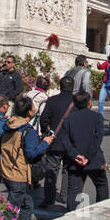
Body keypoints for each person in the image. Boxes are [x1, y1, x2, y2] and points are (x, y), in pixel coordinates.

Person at [0, 95, 52, 220]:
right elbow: (31, 153)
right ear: (29, 112)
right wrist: (45, 143)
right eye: (33, 107)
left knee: (27, 203)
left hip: (6, 168)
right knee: (11, 210)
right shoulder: (28, 131)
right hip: (18, 173)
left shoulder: (8, 124)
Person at [59, 92, 108, 211]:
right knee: (101, 185)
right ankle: (101, 210)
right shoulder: (97, 117)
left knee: (74, 191)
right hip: (94, 158)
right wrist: (87, 156)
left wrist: (74, 154)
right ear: (89, 102)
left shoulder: (68, 119)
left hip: (75, 160)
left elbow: (65, 140)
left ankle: (72, 215)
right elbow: (98, 139)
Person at [36, 75, 76, 208]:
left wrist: (47, 132)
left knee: (51, 170)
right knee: (68, 170)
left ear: (60, 86)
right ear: (73, 87)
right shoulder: (77, 102)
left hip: (55, 140)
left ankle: (49, 198)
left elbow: (44, 119)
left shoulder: (52, 100)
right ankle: (65, 195)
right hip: (71, 142)